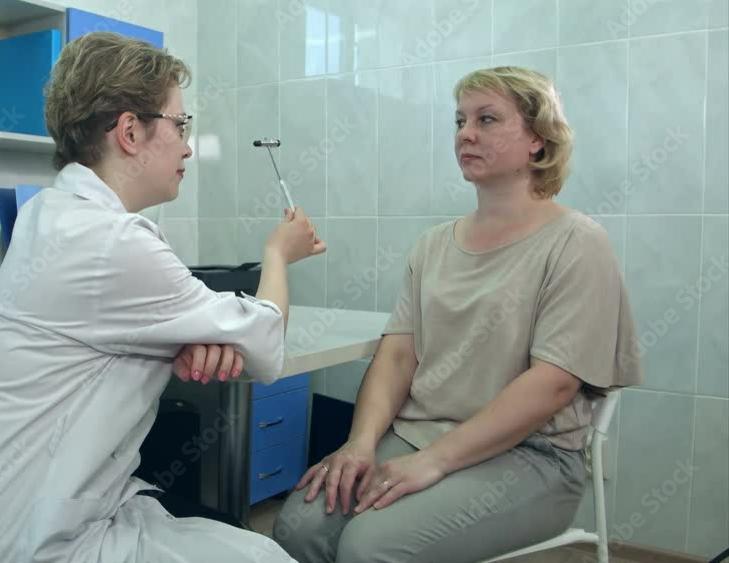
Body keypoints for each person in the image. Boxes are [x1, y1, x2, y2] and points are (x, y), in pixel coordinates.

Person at [0, 32, 324, 563]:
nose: (188, 145)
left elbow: (112, 329)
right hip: (22, 539)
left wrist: (183, 338)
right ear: (129, 131)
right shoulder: (114, 241)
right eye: (180, 124)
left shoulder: (46, 215)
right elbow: (263, 341)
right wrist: (279, 255)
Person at [272, 66, 643, 562]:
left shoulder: (577, 244)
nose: (466, 133)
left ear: (537, 139)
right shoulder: (432, 247)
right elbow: (398, 356)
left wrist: (435, 462)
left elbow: (553, 384)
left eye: (487, 119)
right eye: (460, 120)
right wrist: (359, 443)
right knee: (297, 527)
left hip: (533, 458)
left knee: (370, 546)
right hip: (415, 434)